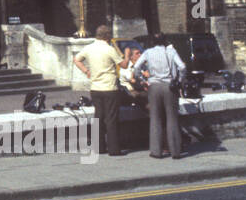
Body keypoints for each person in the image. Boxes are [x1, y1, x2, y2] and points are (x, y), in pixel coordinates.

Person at [74, 25, 126, 156]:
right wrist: (125, 53)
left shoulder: (89, 48)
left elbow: (77, 60)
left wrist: (86, 71)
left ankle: (99, 147)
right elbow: (124, 65)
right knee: (111, 118)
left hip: (95, 88)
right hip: (109, 87)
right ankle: (114, 149)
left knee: (99, 116)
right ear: (107, 36)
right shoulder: (109, 49)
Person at [133, 32, 186, 159]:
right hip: (169, 86)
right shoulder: (171, 52)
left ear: (152, 42)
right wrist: (179, 81)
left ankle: (156, 151)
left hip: (154, 86)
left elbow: (136, 67)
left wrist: (143, 80)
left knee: (155, 118)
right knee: (172, 118)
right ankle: (175, 151)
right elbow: (182, 67)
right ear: (165, 41)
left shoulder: (148, 52)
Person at [118, 41, 146, 110]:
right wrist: (142, 76)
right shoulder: (126, 67)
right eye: (137, 53)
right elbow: (132, 80)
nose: (140, 55)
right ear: (131, 57)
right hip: (129, 91)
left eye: (140, 53)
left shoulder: (142, 65)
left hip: (140, 89)